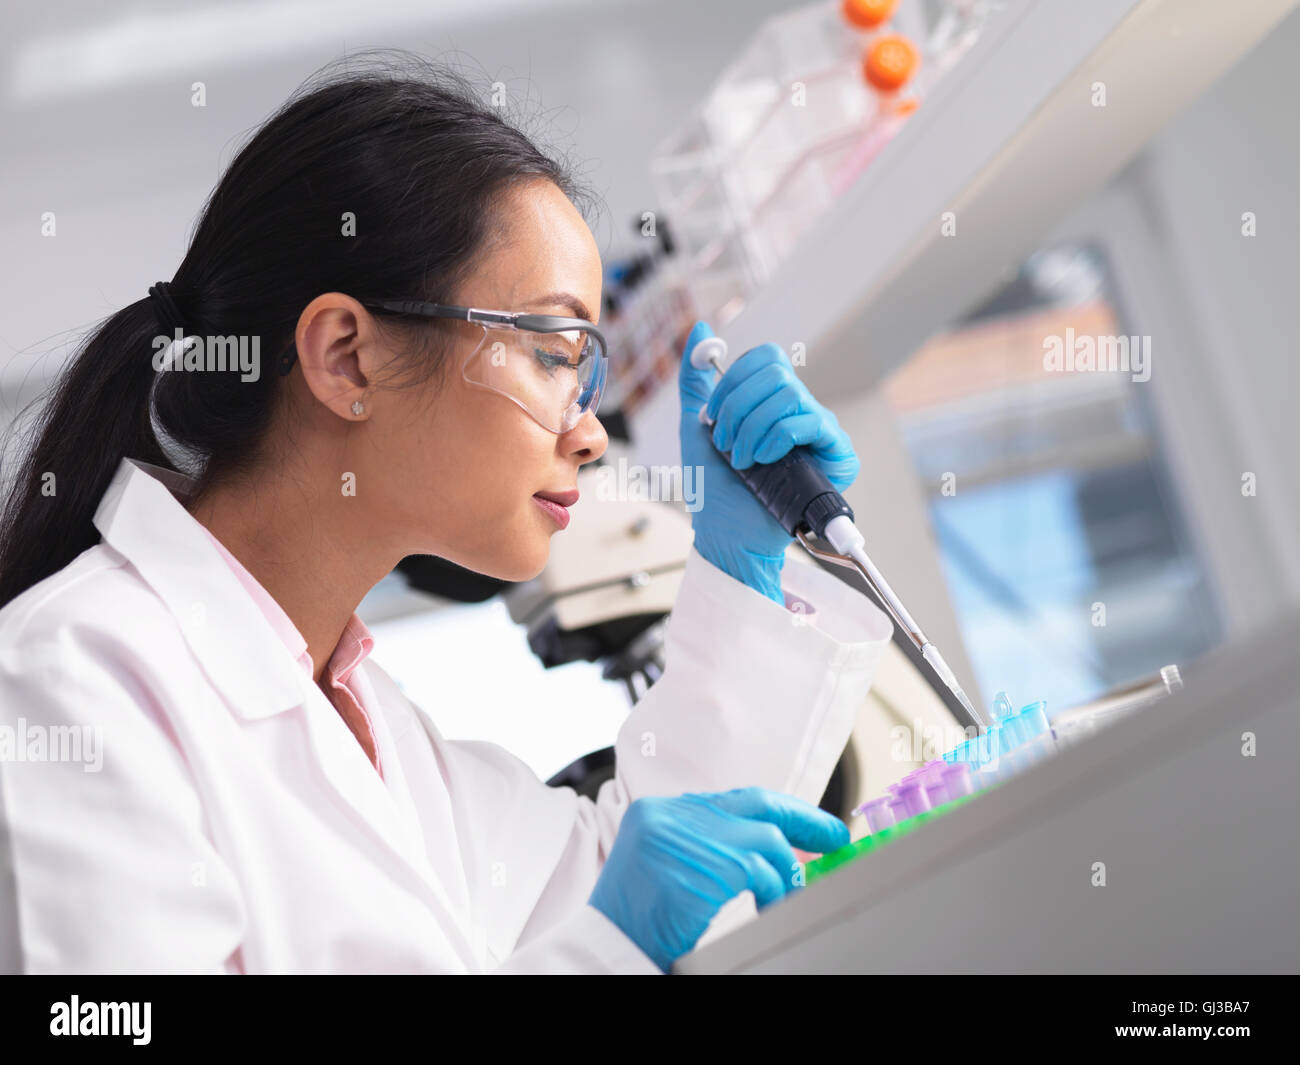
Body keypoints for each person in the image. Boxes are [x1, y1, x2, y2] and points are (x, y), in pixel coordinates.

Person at [0, 52, 891, 974]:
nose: (589, 433)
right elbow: (609, 931)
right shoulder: (72, 683)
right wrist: (609, 946)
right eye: (554, 352)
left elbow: (644, 876)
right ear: (347, 357)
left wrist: (739, 576)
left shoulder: (382, 730)